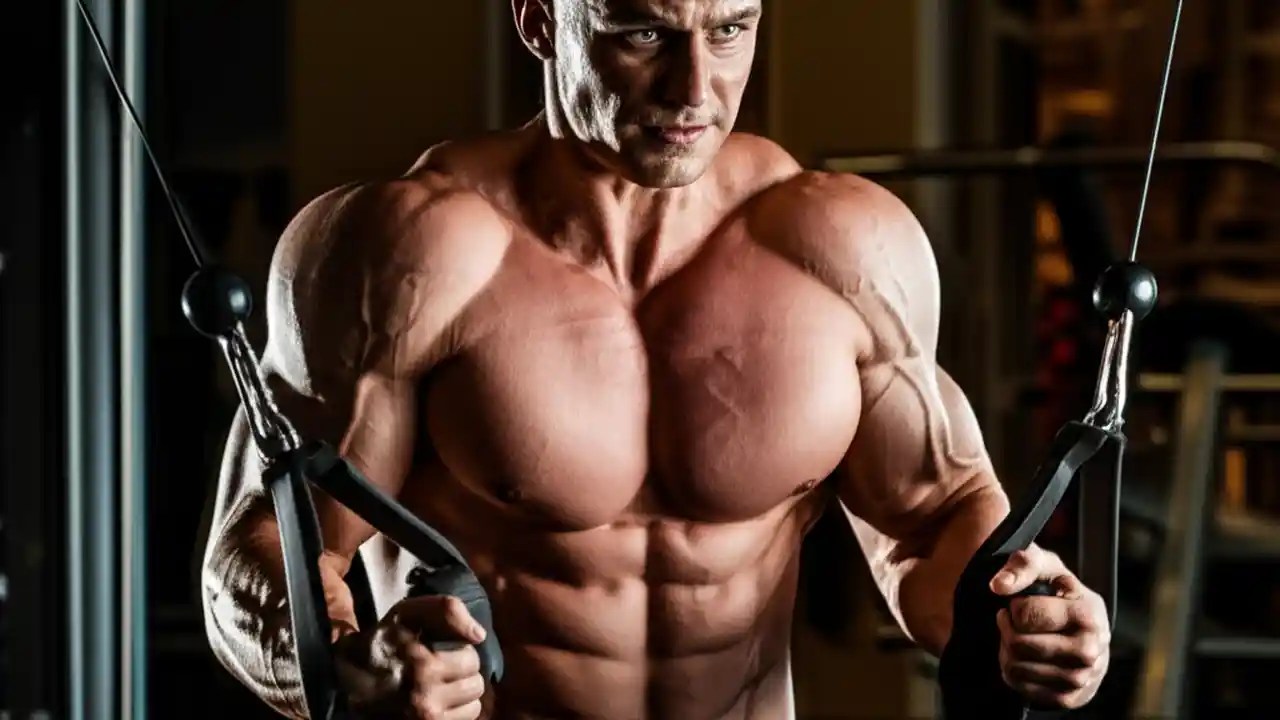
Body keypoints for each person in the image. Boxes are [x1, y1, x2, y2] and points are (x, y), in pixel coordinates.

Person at [201, 0, 1112, 718]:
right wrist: (348, 670)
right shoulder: (403, 254)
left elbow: (935, 516)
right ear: (539, 20)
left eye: (730, 30)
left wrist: (1026, 619)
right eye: (644, 33)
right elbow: (257, 550)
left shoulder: (845, 250)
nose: (694, 90)